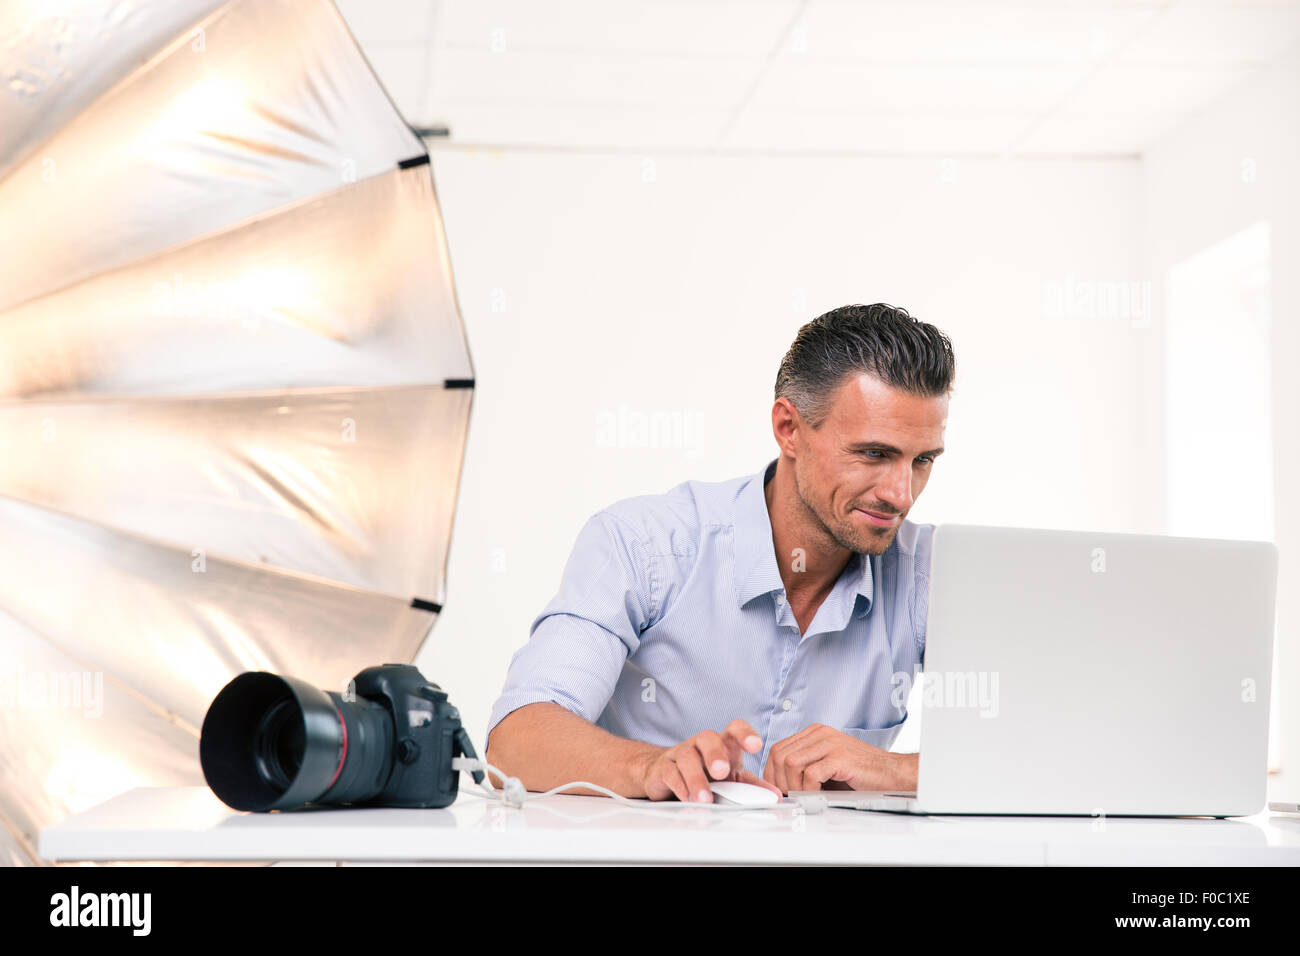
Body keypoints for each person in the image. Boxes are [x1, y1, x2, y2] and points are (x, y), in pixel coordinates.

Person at [485, 303, 955, 802]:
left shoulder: (932, 574)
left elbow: (1041, 752)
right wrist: (652, 768)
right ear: (788, 429)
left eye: (922, 460)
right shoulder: (648, 545)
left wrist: (896, 771)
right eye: (873, 454)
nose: (901, 494)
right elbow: (515, 742)